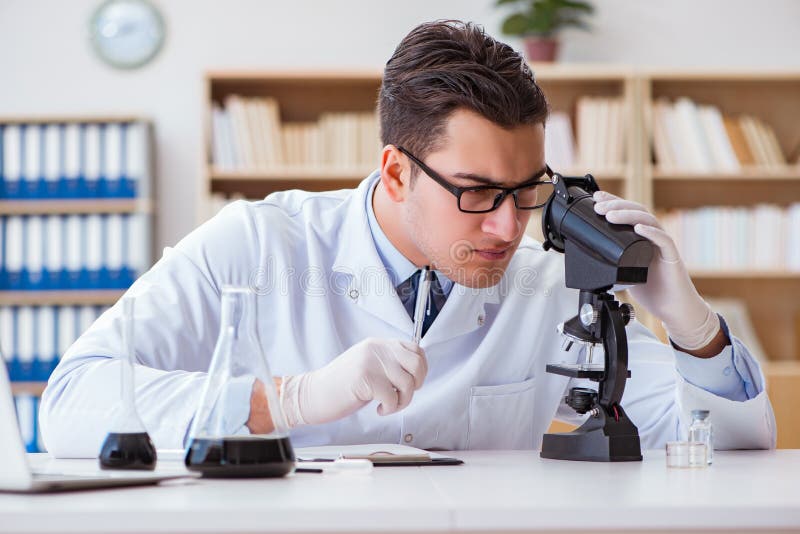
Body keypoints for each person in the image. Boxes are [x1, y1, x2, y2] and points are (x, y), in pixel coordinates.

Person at [40, 20, 775, 457]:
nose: (507, 226)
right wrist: (289, 401)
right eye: (478, 192)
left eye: (525, 192)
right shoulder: (258, 245)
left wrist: (694, 327)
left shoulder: (544, 284)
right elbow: (71, 405)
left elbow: (733, 451)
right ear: (395, 172)